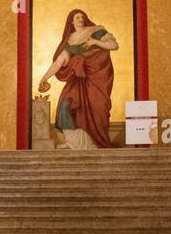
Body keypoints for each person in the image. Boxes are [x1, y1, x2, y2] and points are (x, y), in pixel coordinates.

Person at [37, 8, 119, 148]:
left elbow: (114, 45)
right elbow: (59, 62)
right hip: (78, 79)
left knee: (97, 107)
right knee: (65, 104)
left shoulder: (96, 31)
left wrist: (95, 42)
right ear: (71, 22)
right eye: (77, 17)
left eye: (82, 16)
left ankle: (94, 143)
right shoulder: (70, 41)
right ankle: (72, 141)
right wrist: (45, 78)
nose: (81, 19)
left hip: (97, 79)